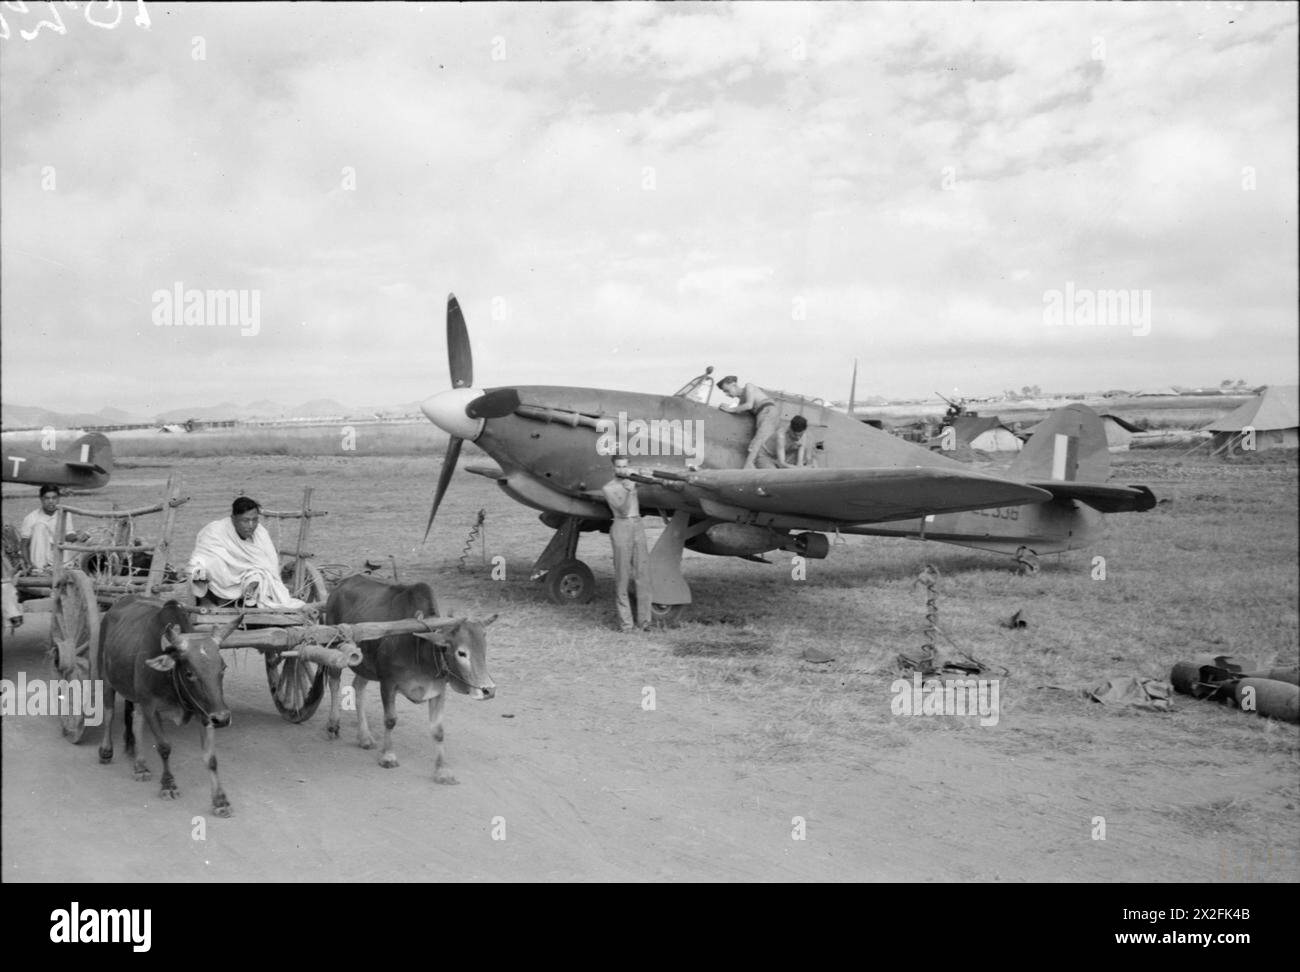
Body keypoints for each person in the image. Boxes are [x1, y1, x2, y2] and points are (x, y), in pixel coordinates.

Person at [187, 496, 306, 609]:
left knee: (260, 574)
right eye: (245, 520)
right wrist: (199, 571)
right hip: (220, 577)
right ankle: (208, 601)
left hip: (245, 578)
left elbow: (268, 564)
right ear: (233, 519)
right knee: (204, 567)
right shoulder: (215, 531)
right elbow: (199, 558)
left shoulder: (260, 533)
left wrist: (255, 579)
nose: (251, 525)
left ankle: (249, 596)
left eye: (255, 520)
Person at [601, 455, 652, 633]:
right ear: (613, 468)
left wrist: (644, 474)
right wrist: (629, 491)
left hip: (637, 525)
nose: (622, 470)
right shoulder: (609, 488)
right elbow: (622, 510)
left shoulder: (632, 481)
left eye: (625, 466)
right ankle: (627, 625)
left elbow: (650, 481)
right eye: (619, 467)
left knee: (643, 575)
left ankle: (645, 622)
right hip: (621, 525)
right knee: (622, 577)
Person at [19, 485, 89, 571]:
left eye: (54, 498)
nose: (51, 501)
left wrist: (78, 537)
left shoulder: (65, 514)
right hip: (40, 558)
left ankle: (64, 566)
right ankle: (39, 568)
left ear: (59, 498)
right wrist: (28, 564)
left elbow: (68, 536)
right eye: (47, 498)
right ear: (41, 499)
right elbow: (24, 545)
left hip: (59, 557)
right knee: (40, 526)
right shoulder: (31, 518)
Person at [718, 375, 781, 469]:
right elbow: (742, 410)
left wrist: (731, 409)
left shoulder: (749, 386)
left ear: (734, 385)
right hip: (763, 415)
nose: (727, 394)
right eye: (725, 392)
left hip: (768, 411)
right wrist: (728, 408)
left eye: (727, 390)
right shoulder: (741, 402)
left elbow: (749, 405)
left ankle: (748, 467)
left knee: (758, 442)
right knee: (760, 445)